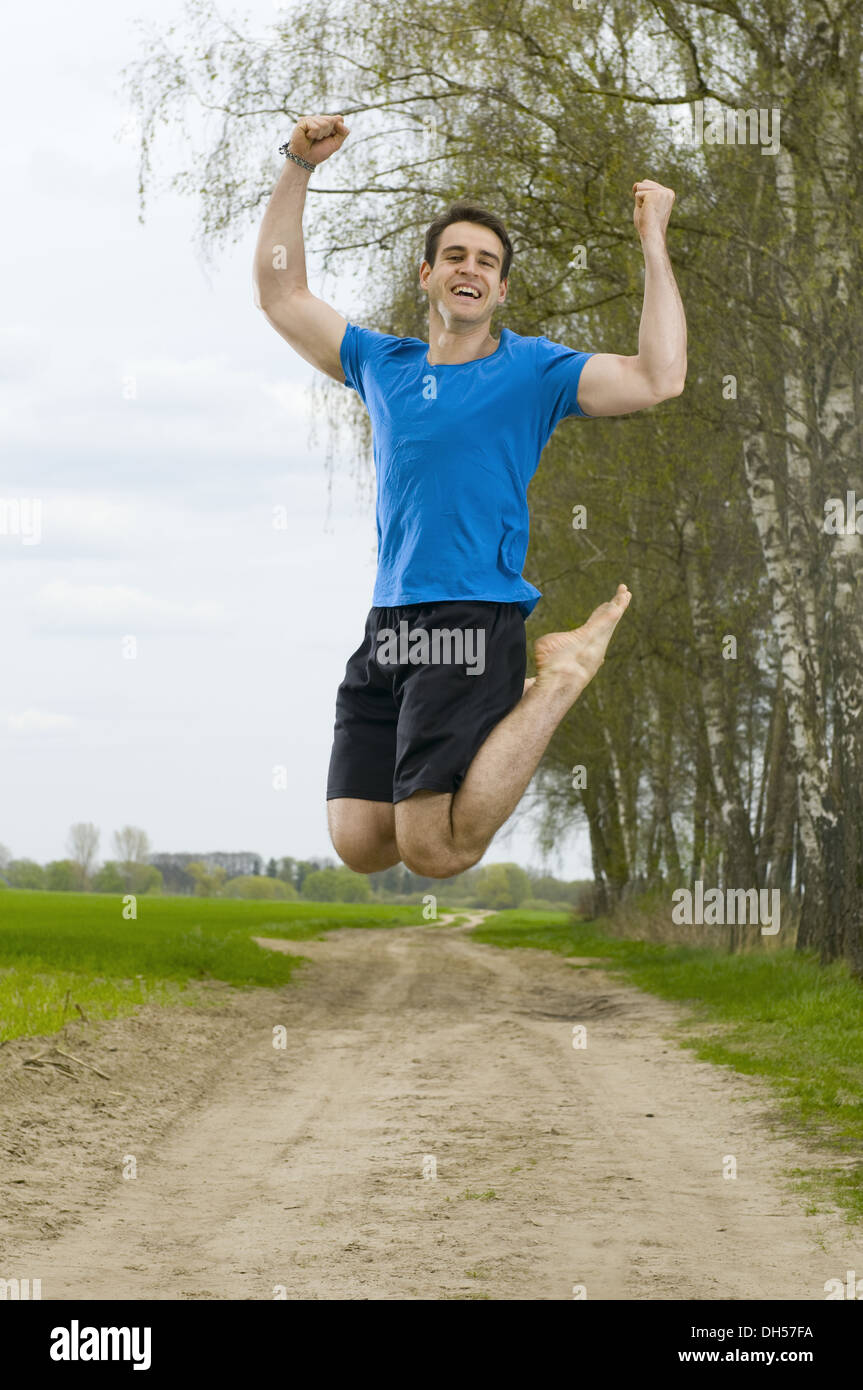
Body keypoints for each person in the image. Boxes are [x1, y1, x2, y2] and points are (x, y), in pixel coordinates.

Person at [253, 114, 686, 880]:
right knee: (361, 843)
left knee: (437, 851)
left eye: (486, 261)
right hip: (391, 618)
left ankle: (561, 678)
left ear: (500, 287)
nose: (469, 267)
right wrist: (297, 164)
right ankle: (531, 690)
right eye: (453, 254)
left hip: (471, 616)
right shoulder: (380, 364)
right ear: (426, 275)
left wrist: (653, 242)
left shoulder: (533, 372)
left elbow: (659, 377)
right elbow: (282, 292)